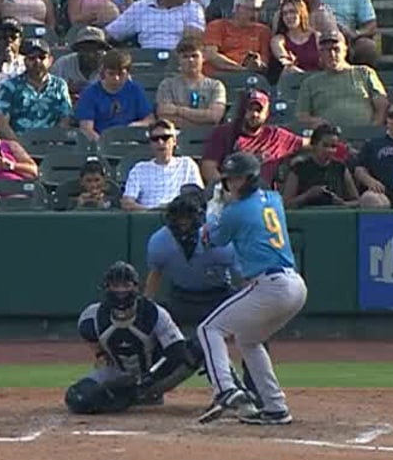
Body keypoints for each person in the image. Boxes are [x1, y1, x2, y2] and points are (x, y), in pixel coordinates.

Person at [196, 151, 307, 426]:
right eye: (229, 179)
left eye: (237, 178)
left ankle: (226, 390)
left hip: (270, 286)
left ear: (251, 178)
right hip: (294, 286)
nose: (231, 184)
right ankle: (275, 406)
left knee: (208, 329)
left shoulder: (235, 212)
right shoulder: (273, 198)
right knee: (248, 340)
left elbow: (213, 240)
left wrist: (213, 213)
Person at [63, 261, 199, 415]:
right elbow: (94, 343)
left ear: (135, 287)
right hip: (118, 374)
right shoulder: (91, 317)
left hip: (155, 377)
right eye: (116, 285)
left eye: (126, 285)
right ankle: (123, 397)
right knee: (79, 398)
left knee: (200, 345)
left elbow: (176, 351)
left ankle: (226, 389)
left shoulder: (154, 313)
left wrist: (150, 378)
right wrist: (107, 368)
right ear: (107, 288)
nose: (121, 291)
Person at [144, 190, 240, 334]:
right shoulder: (160, 241)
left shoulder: (217, 237)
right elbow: (155, 275)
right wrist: (146, 307)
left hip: (219, 297)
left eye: (187, 220)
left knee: (252, 320)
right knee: (154, 320)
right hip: (181, 298)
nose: (183, 225)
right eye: (179, 220)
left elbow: (242, 273)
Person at [201, 88, 305, 188]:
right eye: (250, 109)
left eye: (259, 110)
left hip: (265, 196)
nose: (254, 114)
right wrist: (226, 189)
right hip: (232, 194)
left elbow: (313, 143)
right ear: (243, 110)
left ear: (267, 113)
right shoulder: (224, 133)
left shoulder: (276, 136)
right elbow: (208, 167)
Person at [296, 31, 387, 130]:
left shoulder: (364, 72)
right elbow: (302, 116)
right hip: (328, 139)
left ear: (345, 50)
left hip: (364, 137)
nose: (332, 54)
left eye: (336, 49)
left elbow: (382, 105)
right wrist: (316, 122)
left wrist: (373, 129)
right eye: (326, 50)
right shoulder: (310, 83)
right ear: (320, 54)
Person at [104, 0, 205, 51]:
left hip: (180, 59)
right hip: (147, 60)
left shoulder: (193, 8)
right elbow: (111, 33)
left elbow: (194, 40)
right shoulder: (140, 7)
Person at [0, 37, 72, 133]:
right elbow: (1, 123)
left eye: (42, 57)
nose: (37, 61)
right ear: (25, 61)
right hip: (20, 143)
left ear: (50, 60)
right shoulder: (9, 87)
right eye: (32, 58)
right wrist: (18, 145)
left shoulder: (59, 85)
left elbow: (65, 119)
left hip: (53, 143)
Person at [121, 120, 203, 211]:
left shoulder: (187, 165)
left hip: (180, 218)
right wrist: (151, 212)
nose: (160, 142)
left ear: (174, 141)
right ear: (150, 143)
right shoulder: (139, 169)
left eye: (165, 137)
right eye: (155, 139)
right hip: (147, 219)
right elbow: (127, 203)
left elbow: (198, 199)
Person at [76, 49, 153, 141]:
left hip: (131, 141)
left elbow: (150, 119)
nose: (116, 78)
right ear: (103, 72)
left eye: (121, 74)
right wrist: (103, 144)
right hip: (101, 143)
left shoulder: (135, 90)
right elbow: (87, 129)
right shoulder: (89, 93)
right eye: (111, 74)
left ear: (128, 73)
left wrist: (136, 125)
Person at [352, 99, 393, 202]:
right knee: (369, 198)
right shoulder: (373, 144)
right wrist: (370, 181)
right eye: (392, 115)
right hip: (383, 194)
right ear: (387, 119)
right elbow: (360, 169)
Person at [283, 122, 360, 207]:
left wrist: (342, 203)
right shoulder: (299, 168)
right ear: (314, 145)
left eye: (333, 146)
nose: (329, 150)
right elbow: (286, 204)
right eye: (325, 145)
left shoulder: (340, 168)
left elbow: (357, 201)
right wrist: (308, 195)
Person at [155, 37, 227, 127]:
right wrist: (201, 120)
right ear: (179, 60)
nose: (190, 60)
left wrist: (177, 110)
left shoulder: (216, 86)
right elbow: (164, 115)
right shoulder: (166, 85)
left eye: (194, 56)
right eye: (185, 57)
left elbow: (214, 116)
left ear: (203, 58)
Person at [201, 0, 270, 75]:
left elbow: (265, 63)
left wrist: (258, 65)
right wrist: (240, 69)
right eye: (251, 10)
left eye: (258, 10)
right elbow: (211, 55)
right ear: (237, 8)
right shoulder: (217, 26)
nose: (255, 15)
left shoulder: (263, 31)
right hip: (219, 74)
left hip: (249, 77)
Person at [51, 25, 108, 100]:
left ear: (104, 51)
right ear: (78, 50)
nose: (91, 55)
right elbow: (51, 94)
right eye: (86, 49)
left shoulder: (112, 65)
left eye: (96, 50)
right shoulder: (62, 65)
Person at [270, 0, 320, 76]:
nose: (289, 16)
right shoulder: (279, 40)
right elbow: (283, 58)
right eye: (285, 14)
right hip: (293, 81)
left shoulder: (316, 36)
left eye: (292, 12)